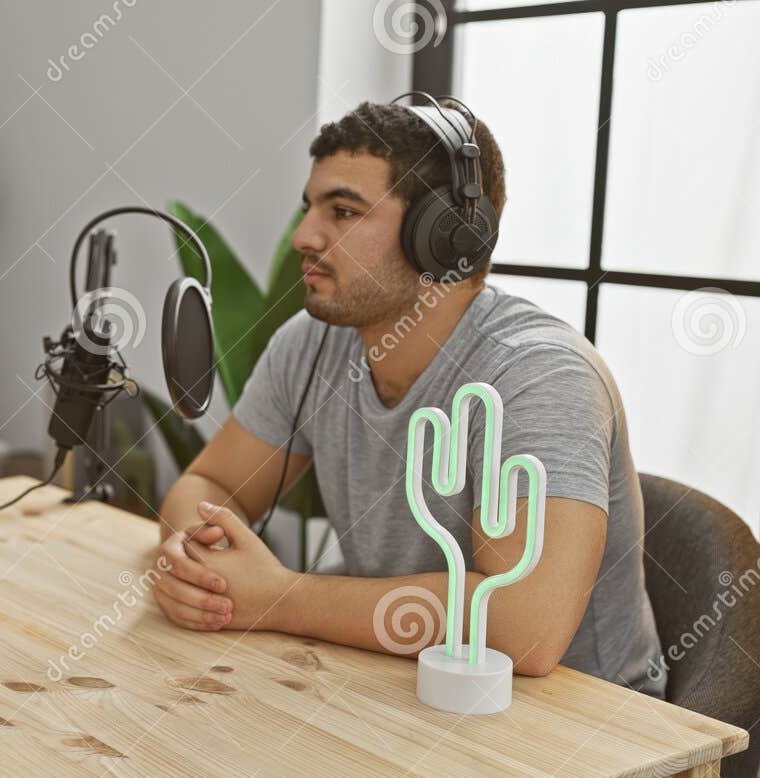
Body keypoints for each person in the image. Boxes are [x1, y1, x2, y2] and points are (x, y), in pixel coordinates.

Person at [153, 99, 660, 696]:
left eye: (343, 211)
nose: (303, 237)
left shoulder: (540, 373)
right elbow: (211, 485)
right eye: (309, 208)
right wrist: (201, 568)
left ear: (443, 236)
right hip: (399, 686)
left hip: (577, 732)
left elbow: (527, 627)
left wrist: (277, 598)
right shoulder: (311, 344)